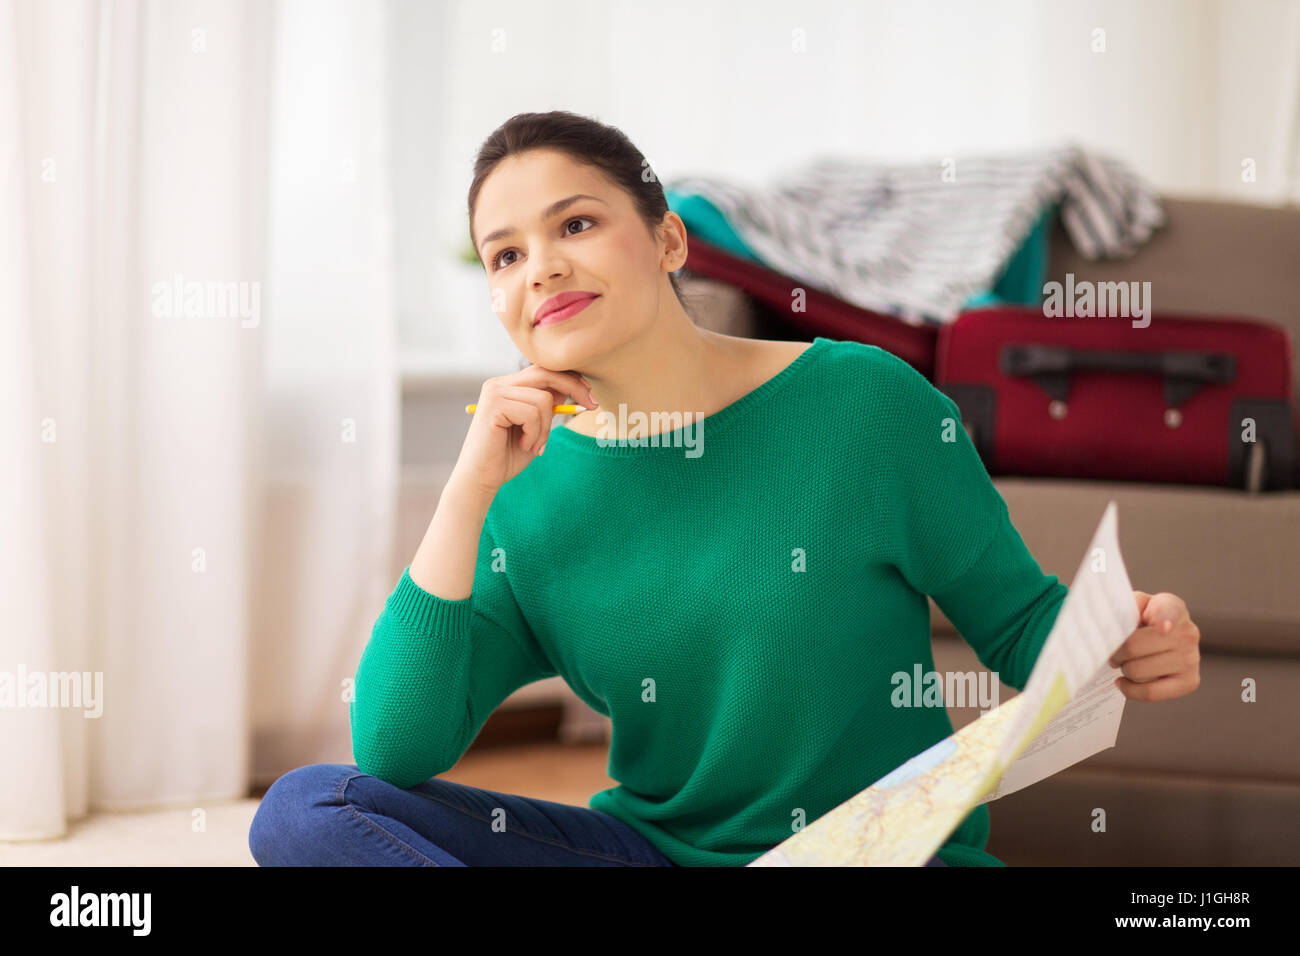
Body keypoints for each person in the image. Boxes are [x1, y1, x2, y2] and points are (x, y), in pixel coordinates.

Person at [249, 110, 1201, 868]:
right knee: (307, 810)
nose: (543, 267)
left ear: (667, 240)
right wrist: (466, 490)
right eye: (505, 255)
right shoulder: (523, 498)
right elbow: (394, 749)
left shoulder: (865, 406)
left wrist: (1132, 637)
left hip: (879, 854)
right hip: (654, 854)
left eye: (576, 224)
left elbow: (1023, 624)